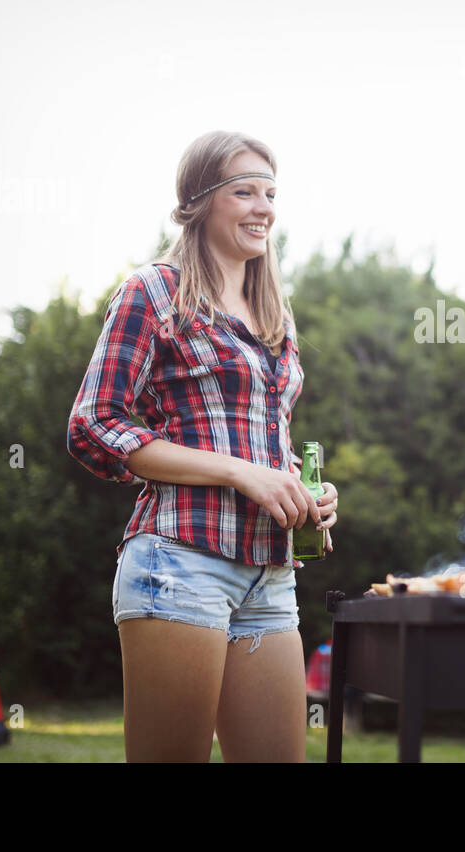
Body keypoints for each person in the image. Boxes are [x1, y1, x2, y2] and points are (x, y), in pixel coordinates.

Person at [67, 131, 338, 762]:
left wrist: (305, 492)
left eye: (270, 192)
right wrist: (242, 474)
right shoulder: (154, 292)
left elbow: (267, 445)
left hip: (268, 576)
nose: (263, 207)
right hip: (180, 564)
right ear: (198, 202)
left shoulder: (272, 311)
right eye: (243, 191)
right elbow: (94, 423)